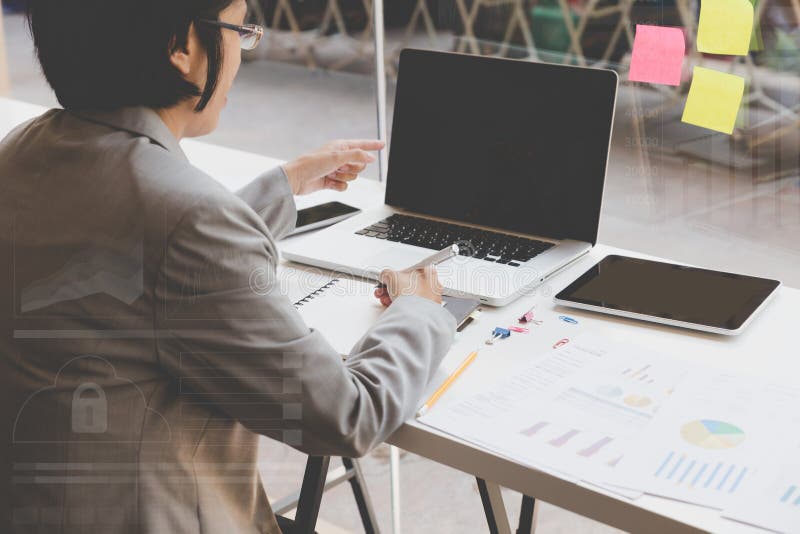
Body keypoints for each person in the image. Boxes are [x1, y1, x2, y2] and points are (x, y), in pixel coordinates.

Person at [0, 1, 456, 532]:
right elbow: (346, 416)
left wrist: (285, 183)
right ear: (183, 47)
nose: (241, 51)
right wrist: (418, 311)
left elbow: (139, 250)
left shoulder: (22, 151)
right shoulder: (187, 217)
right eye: (240, 29)